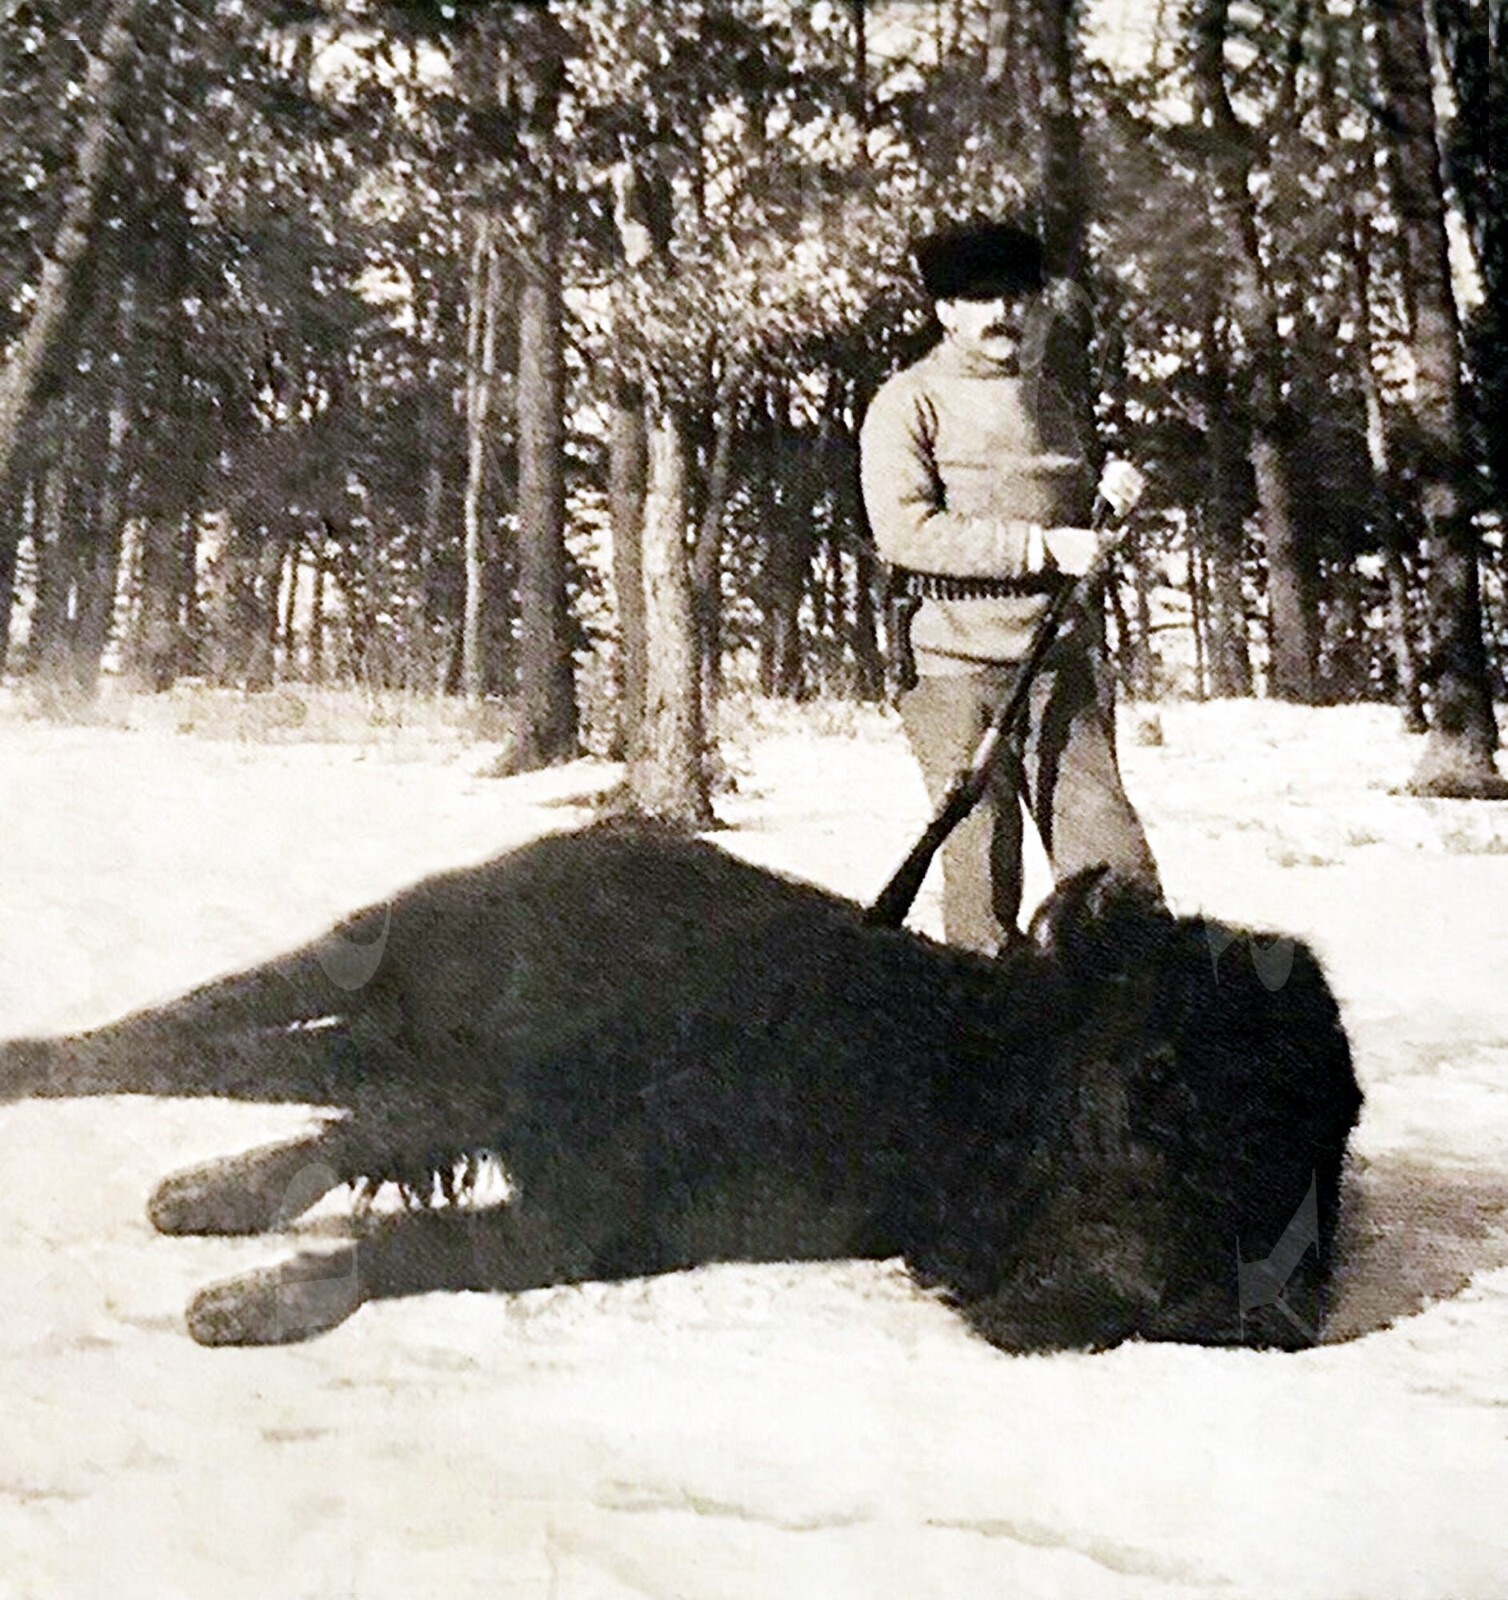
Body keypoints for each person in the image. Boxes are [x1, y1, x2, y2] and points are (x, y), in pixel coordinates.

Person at [859, 220, 1159, 953]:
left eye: (1017, 297)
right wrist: (1039, 547)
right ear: (945, 311)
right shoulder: (907, 402)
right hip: (957, 671)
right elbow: (906, 533)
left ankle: (1121, 1035)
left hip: (1059, 667)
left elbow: (1079, 544)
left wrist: (1110, 506)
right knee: (982, 880)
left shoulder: (1050, 400)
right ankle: (988, 1042)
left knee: (1115, 872)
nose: (1002, 316)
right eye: (978, 299)